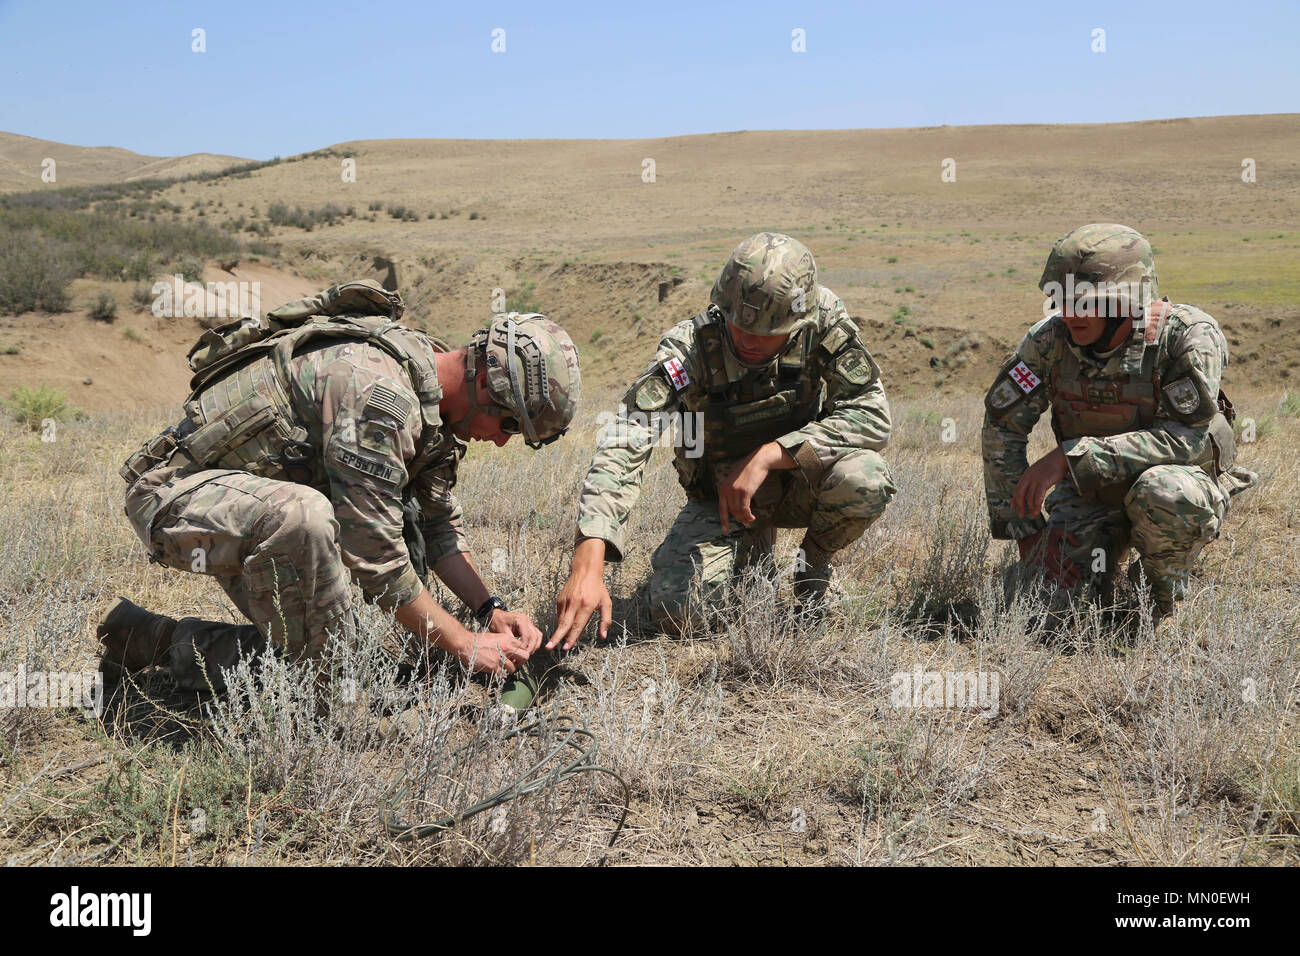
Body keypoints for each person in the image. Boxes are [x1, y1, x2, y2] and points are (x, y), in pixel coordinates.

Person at [100, 279, 581, 693]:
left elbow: (438, 527)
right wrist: (463, 643)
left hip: (259, 506)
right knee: (311, 552)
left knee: (348, 652)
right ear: (488, 386)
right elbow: (375, 555)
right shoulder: (378, 393)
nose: (501, 441)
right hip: (177, 498)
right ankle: (317, 703)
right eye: (509, 425)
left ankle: (148, 638)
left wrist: (489, 610)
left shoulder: (433, 403)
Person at [550, 232, 896, 648]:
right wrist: (590, 555)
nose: (747, 340)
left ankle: (812, 567)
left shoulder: (820, 320)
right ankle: (750, 553)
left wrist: (770, 454)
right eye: (738, 324)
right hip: (722, 502)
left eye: (766, 332)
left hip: (800, 485)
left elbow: (872, 415)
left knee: (865, 477)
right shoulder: (692, 347)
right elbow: (627, 439)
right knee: (678, 611)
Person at [981, 223, 1256, 626]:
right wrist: (1025, 531)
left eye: (1086, 303)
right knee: (1049, 608)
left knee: (1164, 493)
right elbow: (1002, 424)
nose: (1069, 314)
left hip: (1174, 488)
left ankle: (1159, 596)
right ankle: (1103, 556)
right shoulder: (1049, 342)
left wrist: (1070, 456)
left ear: (1127, 301)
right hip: (1091, 493)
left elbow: (1189, 439)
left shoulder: (1186, 337)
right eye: (1061, 300)